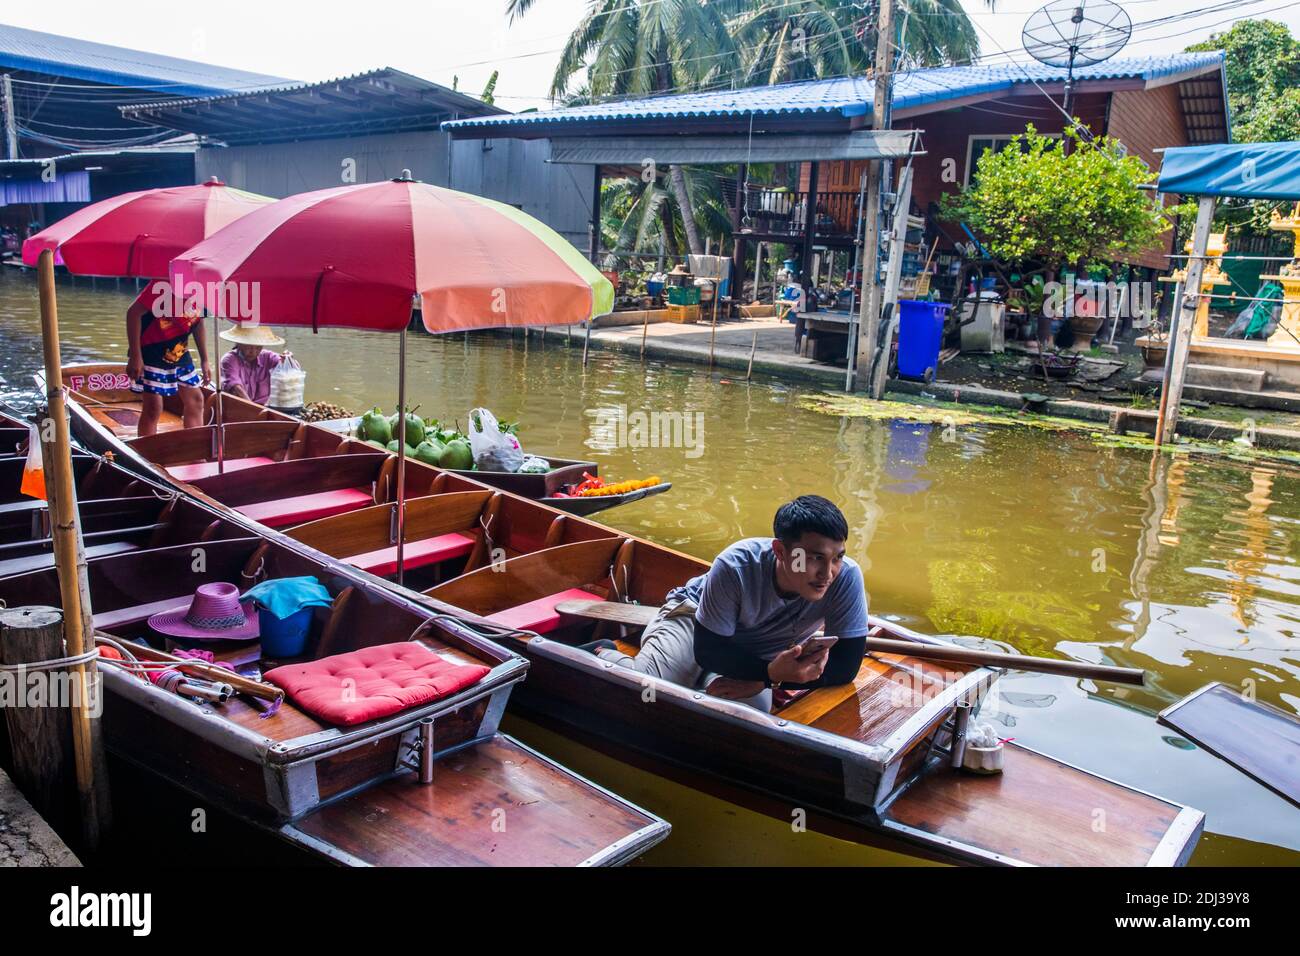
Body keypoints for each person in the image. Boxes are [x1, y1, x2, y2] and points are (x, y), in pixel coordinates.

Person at [594, 495, 868, 712]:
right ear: (780, 552)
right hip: (695, 621)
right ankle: (603, 652)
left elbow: (845, 667)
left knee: (745, 714)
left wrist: (765, 679)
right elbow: (708, 651)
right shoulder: (736, 565)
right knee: (648, 688)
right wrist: (769, 674)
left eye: (837, 558)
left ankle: (701, 685)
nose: (827, 572)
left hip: (756, 656)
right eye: (815, 558)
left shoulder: (846, 577)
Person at [125, 284, 209, 437]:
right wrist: (136, 356)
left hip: (179, 352)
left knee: (196, 400)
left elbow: (199, 323)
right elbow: (133, 313)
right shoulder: (163, 284)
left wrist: (205, 360)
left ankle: (196, 452)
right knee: (154, 407)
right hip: (150, 352)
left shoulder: (202, 289)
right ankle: (147, 454)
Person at [218, 322, 285, 406]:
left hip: (263, 409)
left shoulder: (268, 357)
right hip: (237, 408)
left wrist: (287, 360)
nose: (253, 352)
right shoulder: (229, 360)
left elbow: (288, 368)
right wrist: (254, 410)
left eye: (258, 347)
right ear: (239, 343)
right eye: (248, 347)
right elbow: (237, 389)